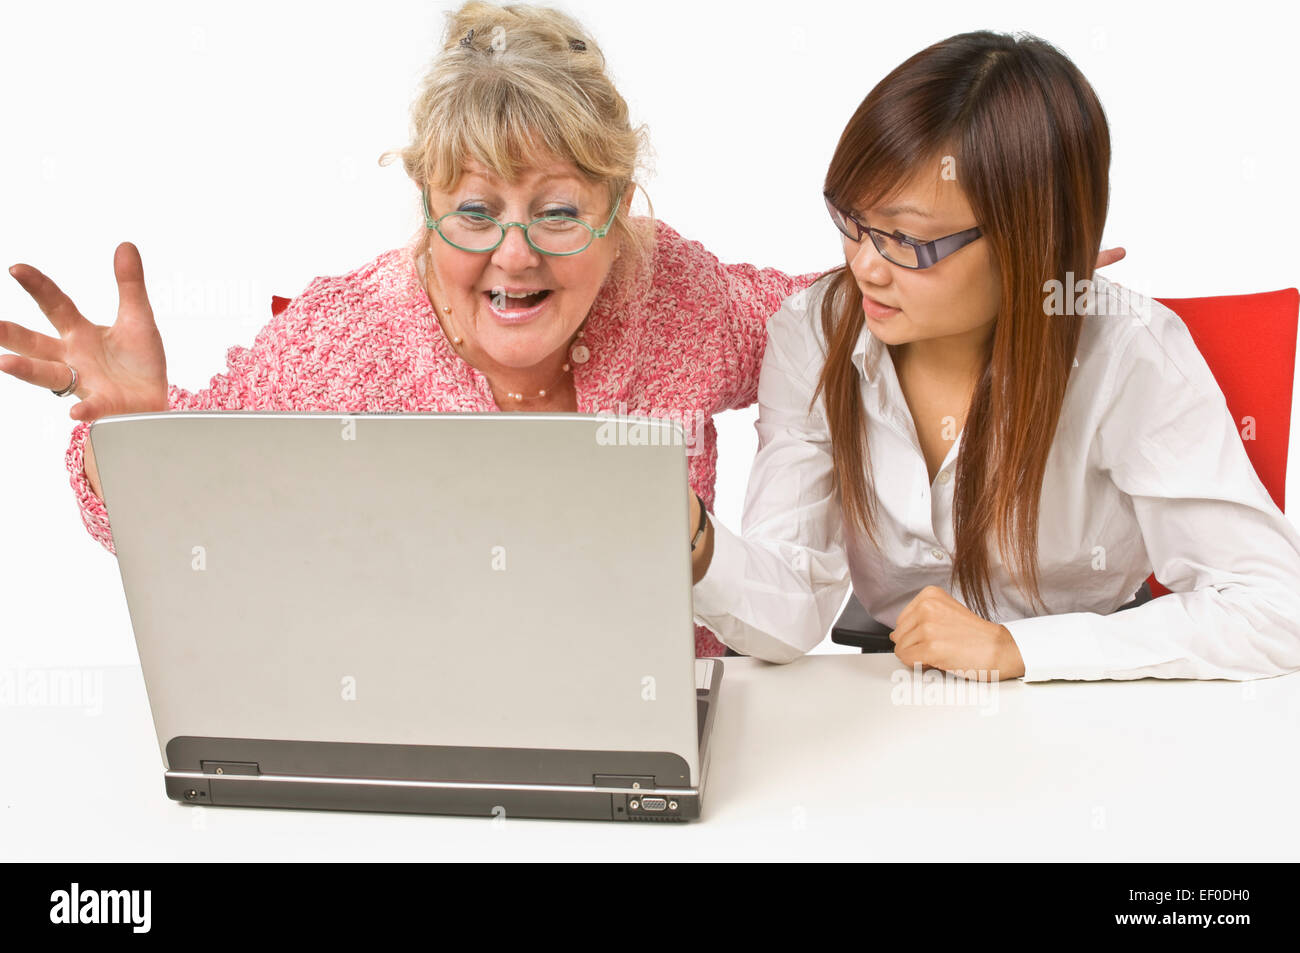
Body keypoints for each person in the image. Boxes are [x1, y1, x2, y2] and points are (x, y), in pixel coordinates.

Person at [0, 4, 1121, 659]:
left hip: (678, 738)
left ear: (618, 205)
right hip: (428, 717)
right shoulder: (352, 335)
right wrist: (141, 429)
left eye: (558, 213)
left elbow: (835, 313)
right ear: (428, 208)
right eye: (475, 212)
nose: (515, 255)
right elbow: (174, 513)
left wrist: (1010, 266)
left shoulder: (674, 296)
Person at [687, 30, 1300, 681]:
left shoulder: (1126, 351)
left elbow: (1276, 610)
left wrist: (1018, 649)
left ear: (1030, 244)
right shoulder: (813, 334)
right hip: (898, 694)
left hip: (1094, 696)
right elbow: (791, 608)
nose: (865, 266)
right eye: (853, 222)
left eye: (907, 240)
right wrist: (695, 544)